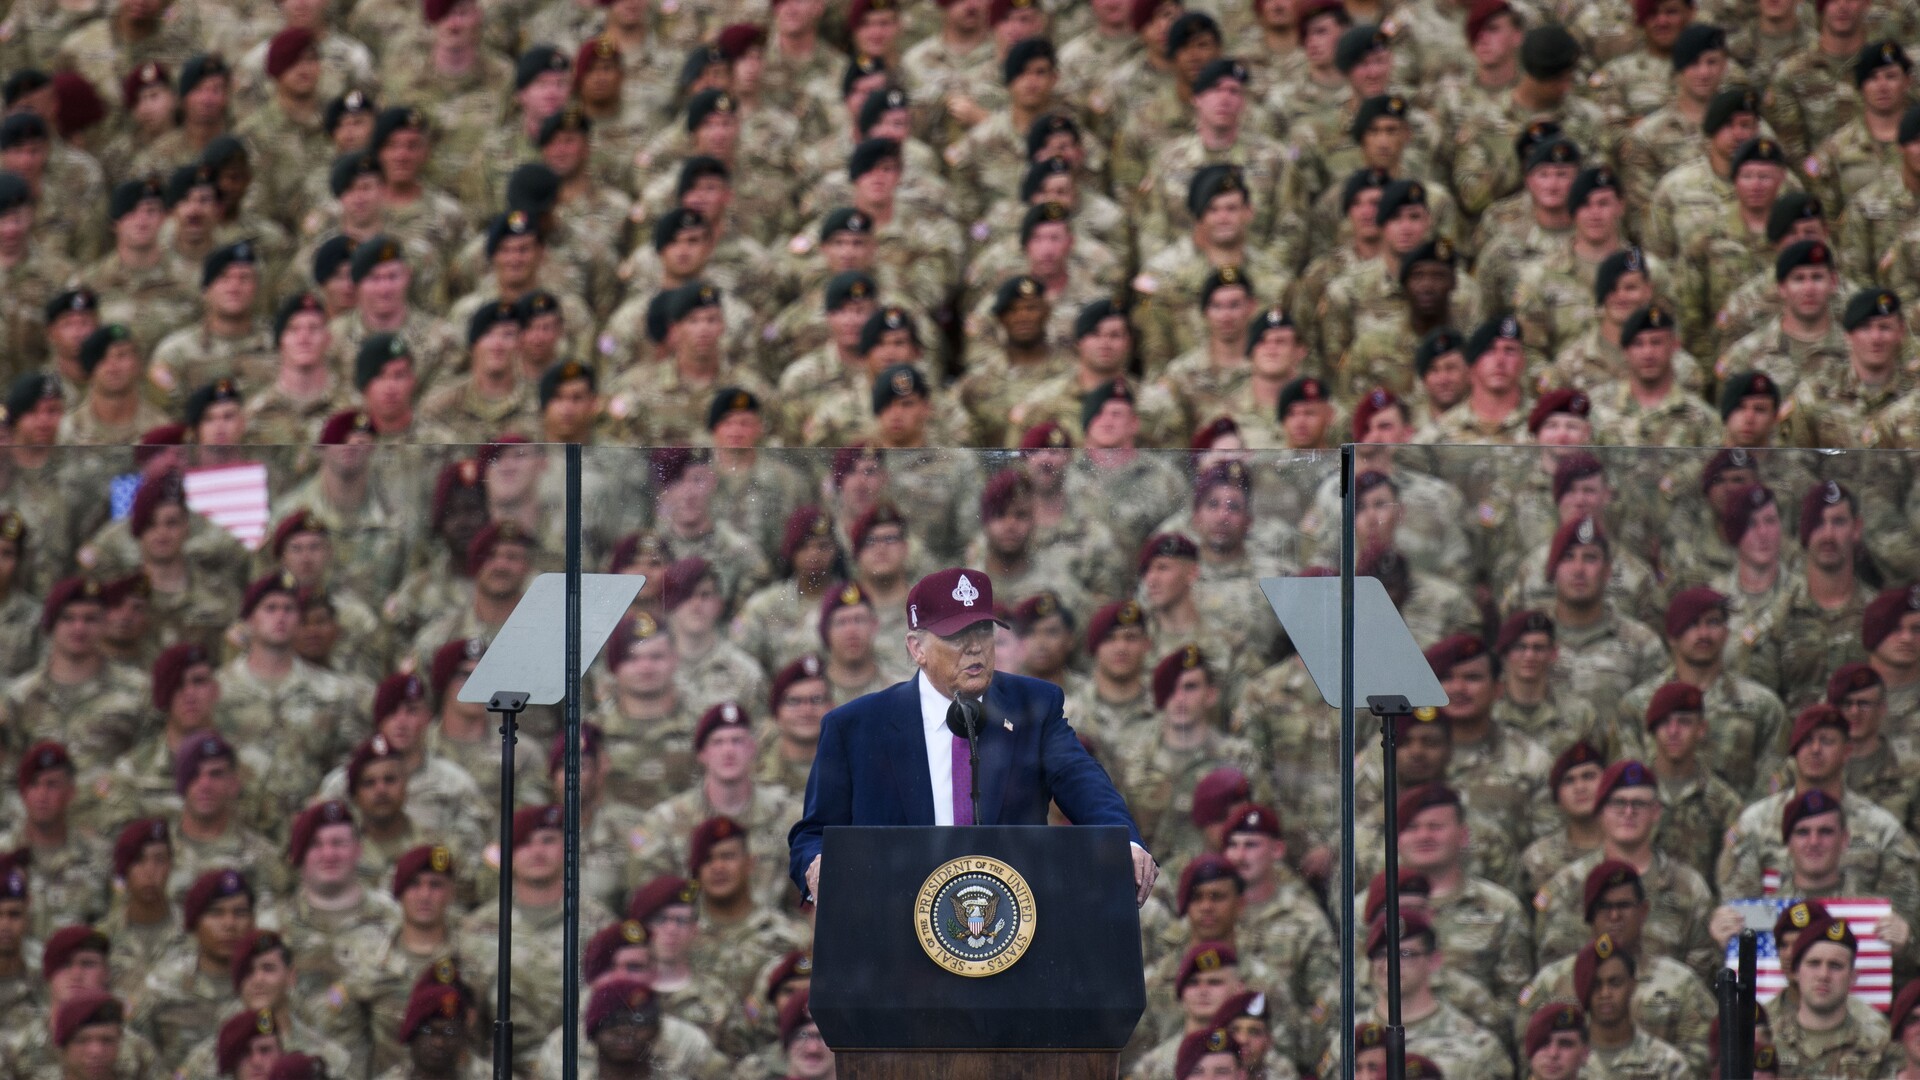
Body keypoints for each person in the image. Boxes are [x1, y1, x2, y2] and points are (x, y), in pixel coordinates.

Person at [789, 566, 1154, 905]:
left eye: (982, 631)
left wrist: (1124, 840)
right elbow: (812, 835)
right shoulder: (856, 727)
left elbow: (1084, 784)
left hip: (1011, 929)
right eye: (956, 635)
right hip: (897, 931)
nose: (974, 646)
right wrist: (817, 863)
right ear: (917, 648)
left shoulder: (1033, 707)